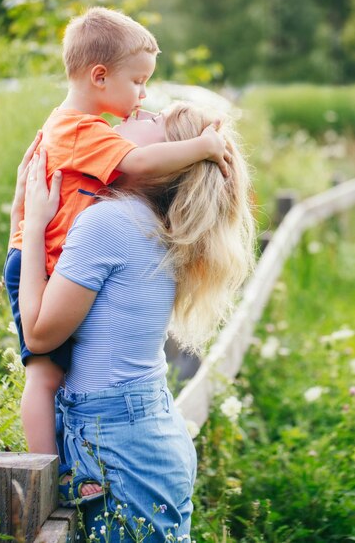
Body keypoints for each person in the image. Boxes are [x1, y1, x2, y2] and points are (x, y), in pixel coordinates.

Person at [15, 102, 255, 540]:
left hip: (118, 442)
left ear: (167, 158)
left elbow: (38, 332)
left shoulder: (108, 223)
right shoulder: (153, 224)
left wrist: (32, 228)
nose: (139, 110)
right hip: (144, 430)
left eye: (154, 121)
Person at [4, 7, 232, 457]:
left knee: (57, 375)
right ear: (100, 77)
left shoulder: (86, 131)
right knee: (44, 375)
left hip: (44, 256)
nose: (144, 97)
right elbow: (140, 163)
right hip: (37, 262)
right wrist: (203, 147)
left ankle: (57, 458)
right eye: (139, 82)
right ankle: (42, 466)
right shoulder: (78, 130)